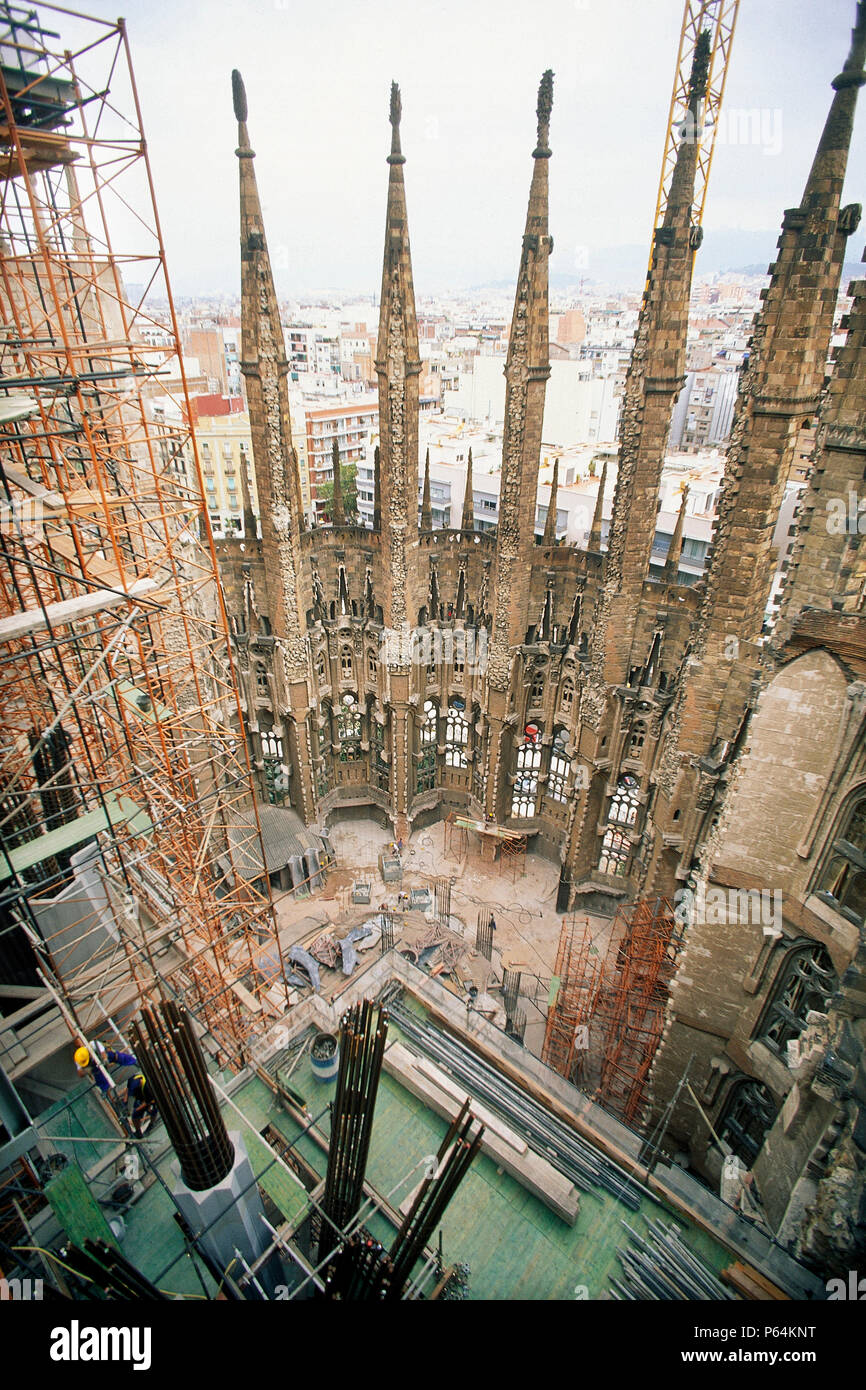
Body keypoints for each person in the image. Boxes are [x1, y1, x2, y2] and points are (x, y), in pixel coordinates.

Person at [74, 1042, 138, 1095]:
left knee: (116, 1056)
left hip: (103, 1057)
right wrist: (86, 1071)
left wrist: (105, 1059)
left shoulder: (93, 1044)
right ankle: (106, 1092)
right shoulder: (79, 1059)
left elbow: (103, 1053)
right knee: (99, 1077)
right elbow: (80, 1073)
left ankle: (134, 1061)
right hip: (95, 1067)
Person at [125, 1072, 158, 1138]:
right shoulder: (133, 1079)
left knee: (152, 1110)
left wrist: (136, 1109)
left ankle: (151, 1124)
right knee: (135, 1116)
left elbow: (147, 1102)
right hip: (140, 1096)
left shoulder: (147, 1087)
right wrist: (126, 1100)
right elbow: (128, 1088)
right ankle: (138, 1132)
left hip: (151, 1099)